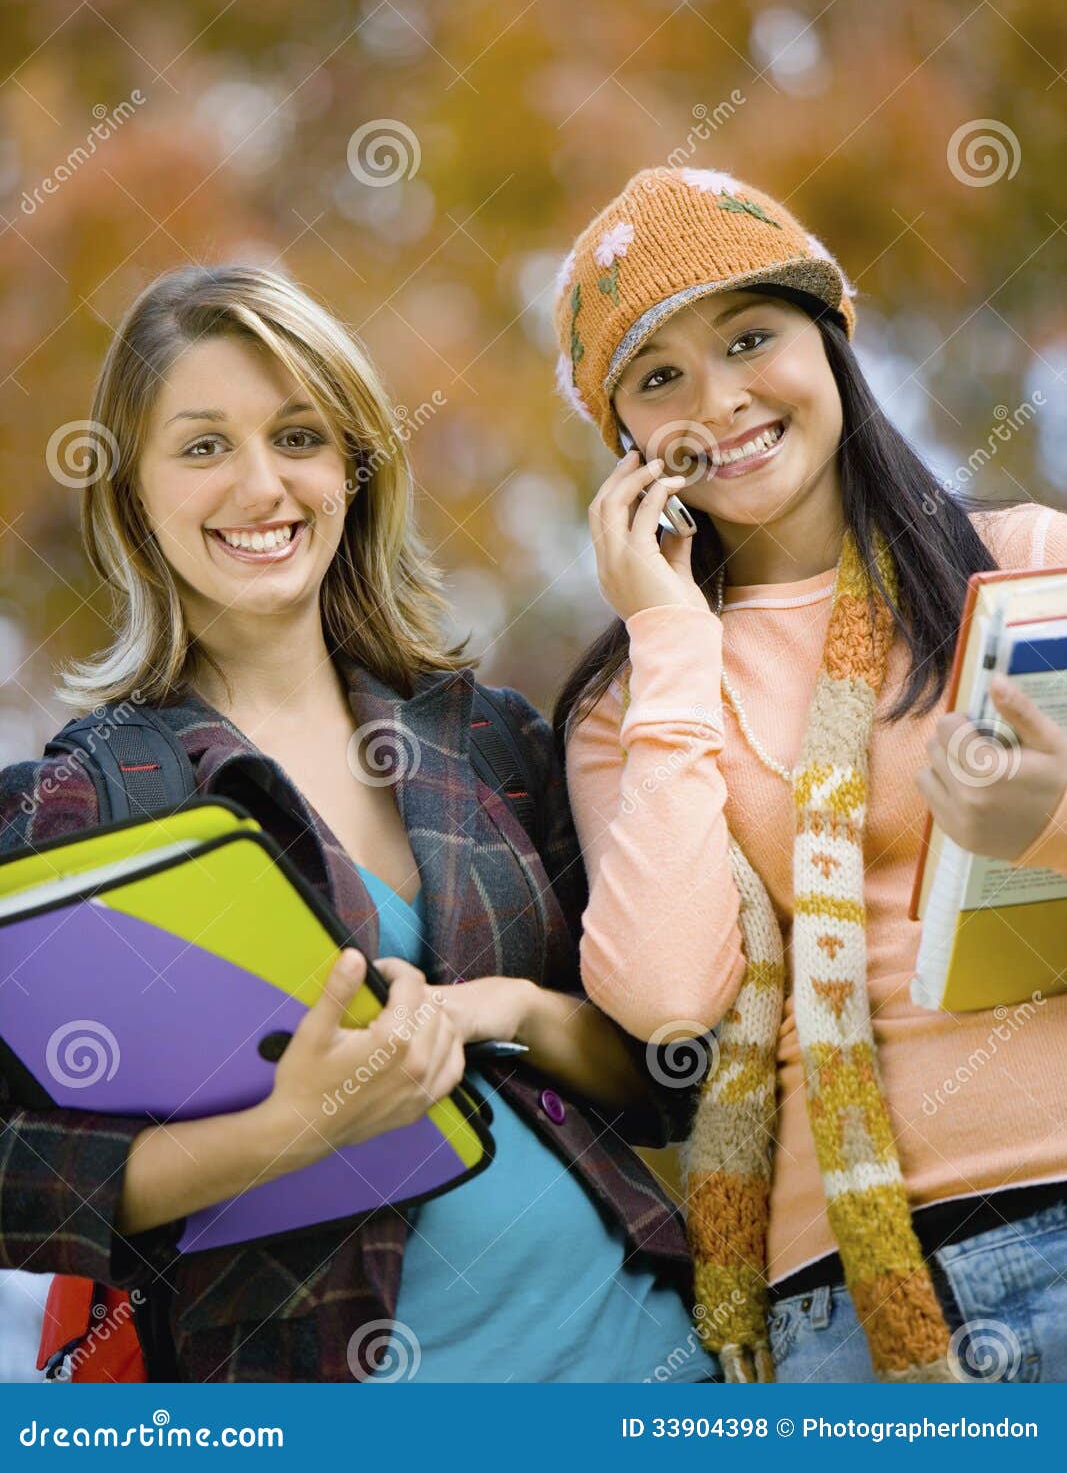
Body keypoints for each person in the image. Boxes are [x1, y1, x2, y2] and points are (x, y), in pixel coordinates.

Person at [0, 264, 717, 1383]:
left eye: (298, 436)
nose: (260, 486)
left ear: (351, 468)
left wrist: (513, 1008)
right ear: (131, 493)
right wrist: (291, 1130)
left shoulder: (486, 738)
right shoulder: (87, 801)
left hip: (652, 1368)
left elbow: (673, 1072)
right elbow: (17, 1176)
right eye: (202, 447)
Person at [550, 167, 1067, 1384]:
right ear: (624, 439)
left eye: (748, 338)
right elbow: (665, 993)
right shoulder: (631, 699)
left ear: (828, 338)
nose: (718, 399)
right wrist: (667, 634)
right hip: (830, 1310)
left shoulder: (1021, 563)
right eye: (658, 376)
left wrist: (1044, 820)